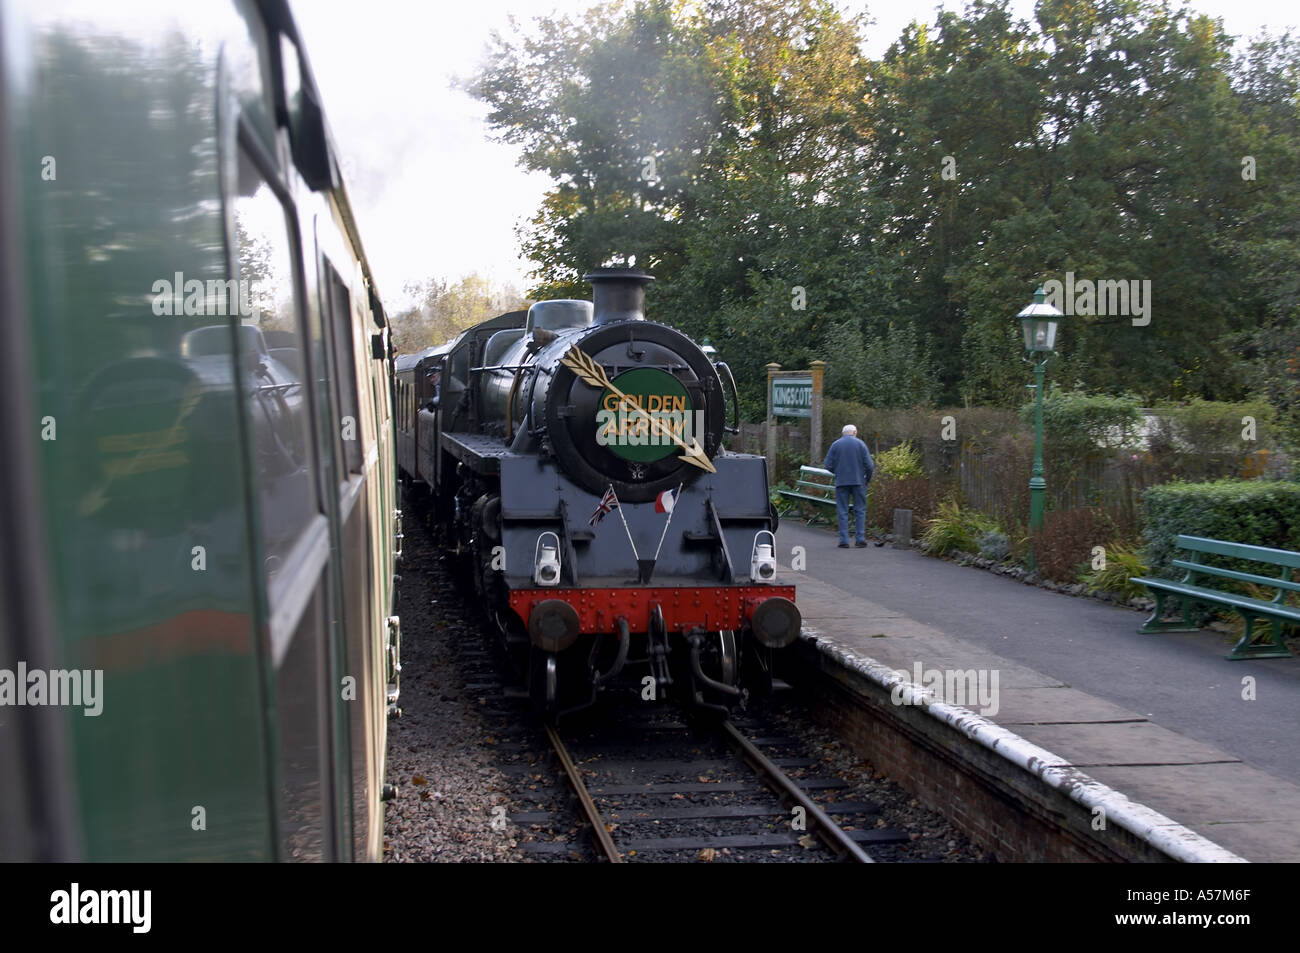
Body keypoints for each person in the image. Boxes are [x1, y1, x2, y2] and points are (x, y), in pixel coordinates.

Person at [822, 424, 874, 548]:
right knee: (860, 510)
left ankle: (844, 540)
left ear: (843, 433)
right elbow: (869, 465)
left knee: (842, 511)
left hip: (841, 482)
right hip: (859, 482)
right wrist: (867, 479)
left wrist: (838, 472)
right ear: (855, 432)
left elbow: (827, 464)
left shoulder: (836, 445)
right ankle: (860, 539)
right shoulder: (861, 444)